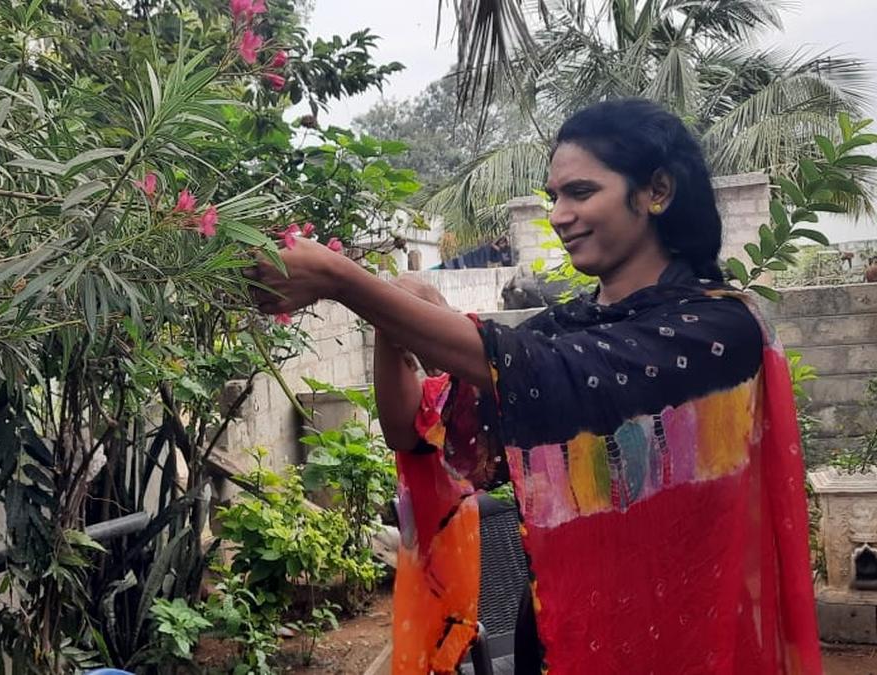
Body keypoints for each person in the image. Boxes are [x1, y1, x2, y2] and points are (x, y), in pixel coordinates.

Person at [248, 99, 821, 674]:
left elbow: (550, 370)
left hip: (682, 638)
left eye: (581, 192)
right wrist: (391, 318)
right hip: (558, 635)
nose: (560, 215)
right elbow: (414, 427)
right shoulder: (569, 326)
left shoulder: (719, 329)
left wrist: (344, 279)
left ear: (657, 191)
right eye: (554, 198)